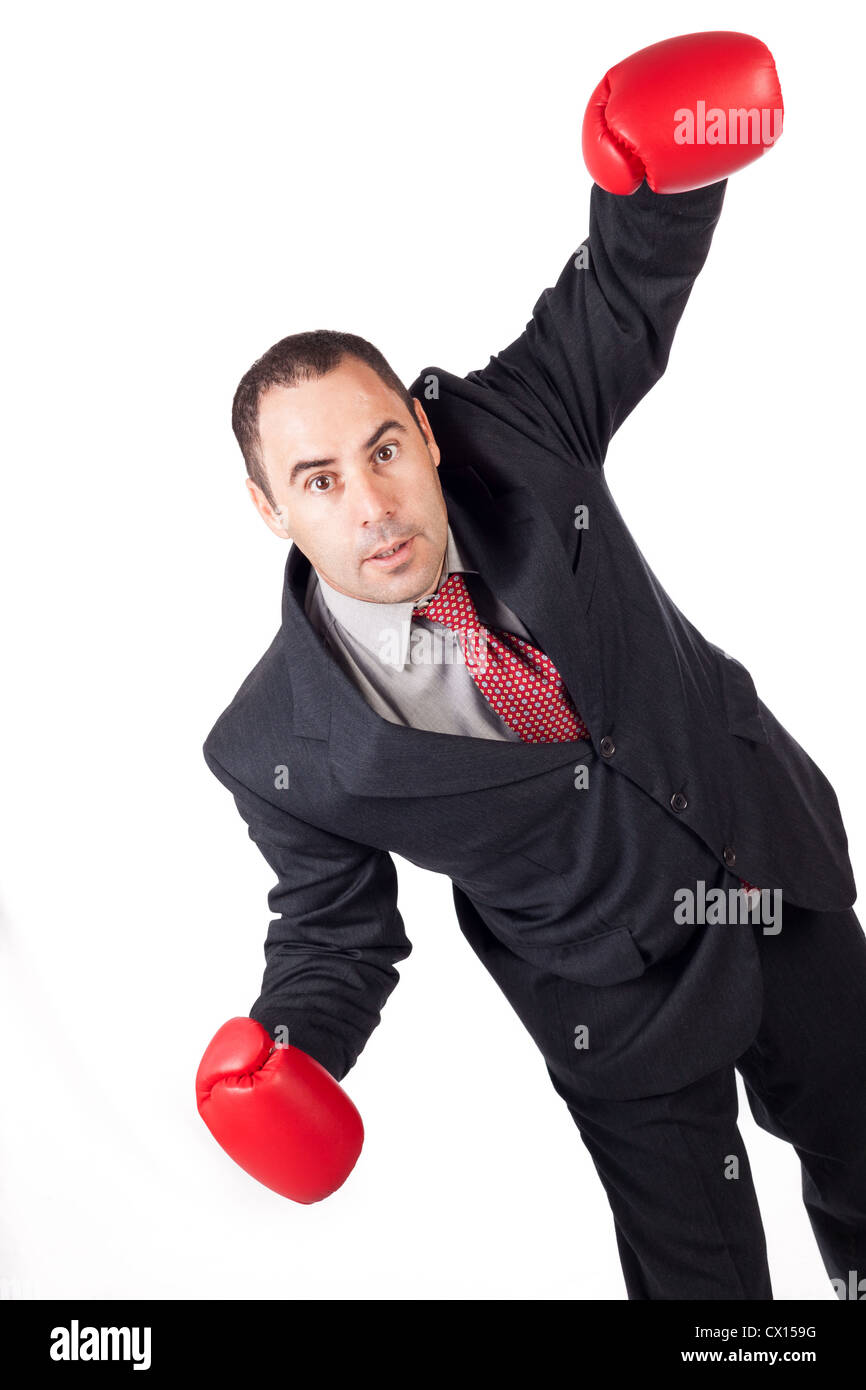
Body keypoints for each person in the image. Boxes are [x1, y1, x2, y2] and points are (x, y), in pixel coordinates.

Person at [196, 31, 866, 1299]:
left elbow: (619, 297)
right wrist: (288, 1054)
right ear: (270, 508)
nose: (372, 501)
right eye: (320, 480)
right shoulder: (276, 745)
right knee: (704, 1297)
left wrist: (655, 179)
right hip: (609, 993)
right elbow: (335, 937)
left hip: (759, 870)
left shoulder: (513, 428)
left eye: (386, 447)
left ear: (424, 435)